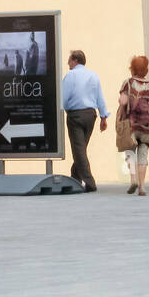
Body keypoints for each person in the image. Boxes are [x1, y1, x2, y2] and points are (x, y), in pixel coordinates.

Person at [61, 49, 109, 192]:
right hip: (91, 115)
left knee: (78, 149)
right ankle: (75, 179)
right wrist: (103, 116)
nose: (68, 62)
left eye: (69, 60)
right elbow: (100, 97)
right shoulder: (93, 76)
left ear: (75, 60)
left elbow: (63, 97)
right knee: (81, 149)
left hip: (75, 115)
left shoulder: (70, 76)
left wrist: (60, 110)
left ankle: (90, 182)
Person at [119, 55, 149, 196]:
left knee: (130, 151)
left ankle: (133, 179)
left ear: (132, 69)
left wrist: (120, 117)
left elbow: (123, 102)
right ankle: (142, 186)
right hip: (147, 125)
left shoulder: (128, 83)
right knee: (143, 155)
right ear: (146, 70)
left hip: (131, 124)